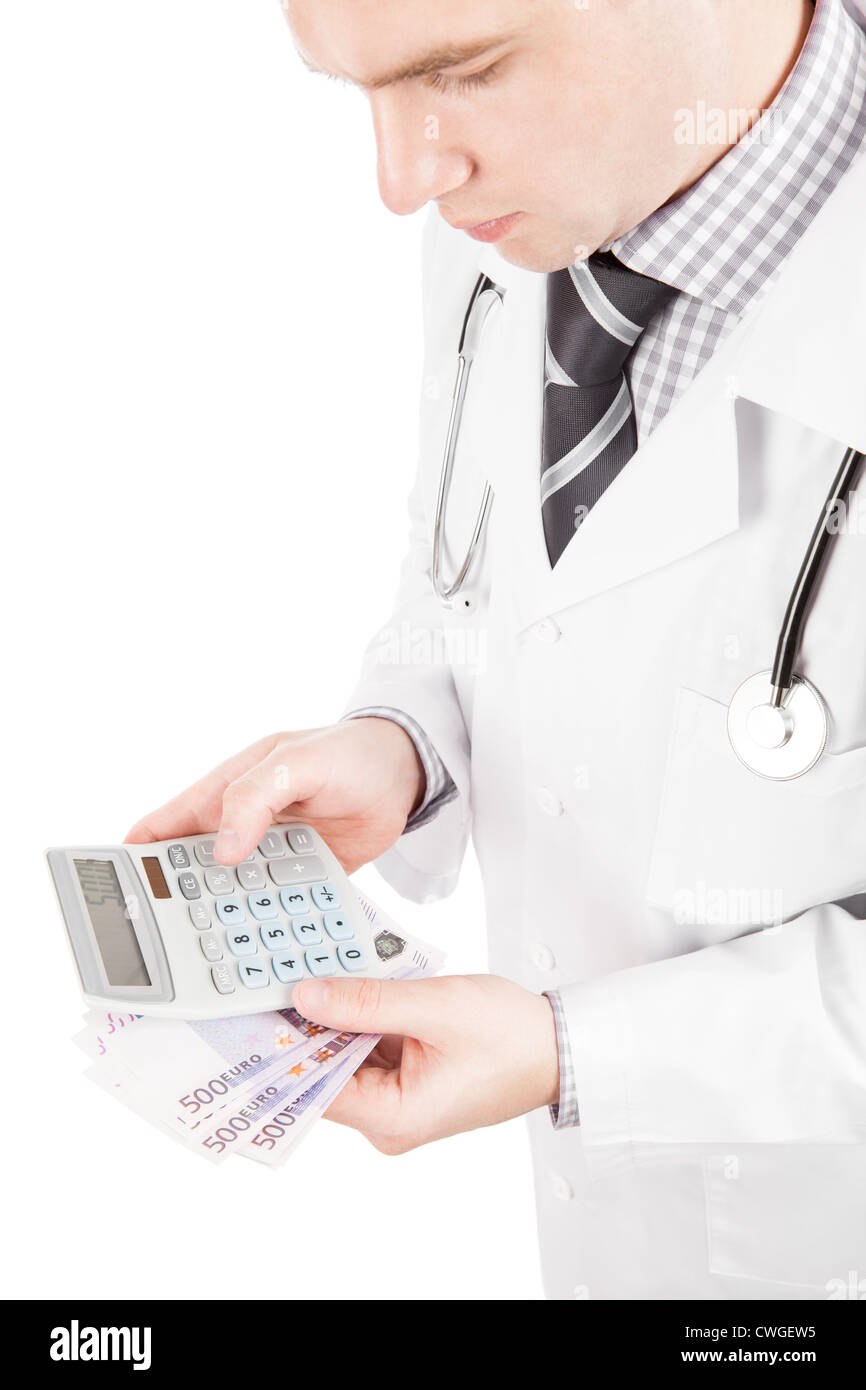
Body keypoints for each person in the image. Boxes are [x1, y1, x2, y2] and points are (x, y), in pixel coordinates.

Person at [127, 0, 866, 1299]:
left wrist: (575, 1049)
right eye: (348, 91)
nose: (399, 179)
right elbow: (474, 566)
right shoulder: (501, 224)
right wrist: (407, 742)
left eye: (460, 72)